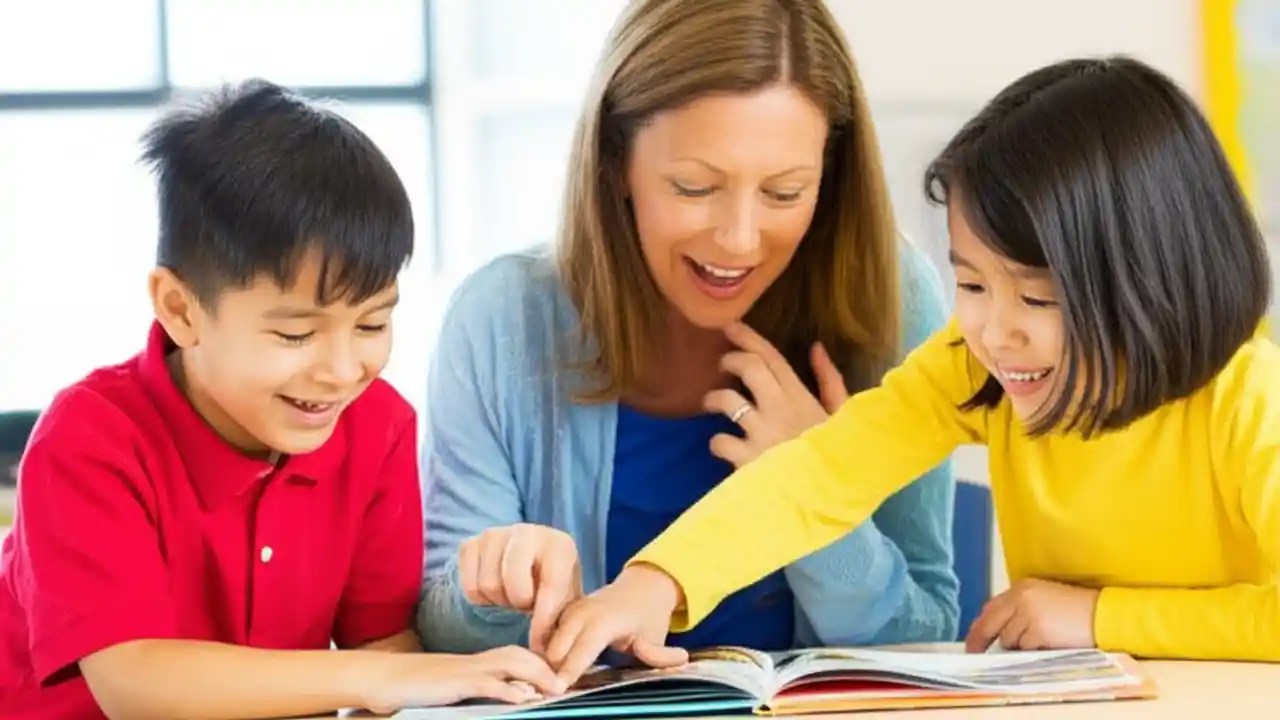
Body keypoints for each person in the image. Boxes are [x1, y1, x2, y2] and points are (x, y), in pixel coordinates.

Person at [542, 55, 1280, 682]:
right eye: (971, 284)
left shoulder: (1249, 400)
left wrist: (1097, 614)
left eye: (1037, 297)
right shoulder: (975, 368)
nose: (995, 330)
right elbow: (819, 474)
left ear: (1154, 279)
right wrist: (657, 581)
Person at [416, 0, 959, 662]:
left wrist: (814, 489)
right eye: (695, 187)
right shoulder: (502, 318)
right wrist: (493, 586)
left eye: (784, 193)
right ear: (616, 160)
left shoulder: (892, 299)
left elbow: (929, 638)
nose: (737, 238)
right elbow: (444, 633)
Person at [0, 80, 561, 720]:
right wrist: (378, 677)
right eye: (295, 334)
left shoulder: (377, 424)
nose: (344, 370)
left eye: (373, 324)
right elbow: (135, 682)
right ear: (181, 309)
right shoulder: (88, 439)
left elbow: (382, 642)